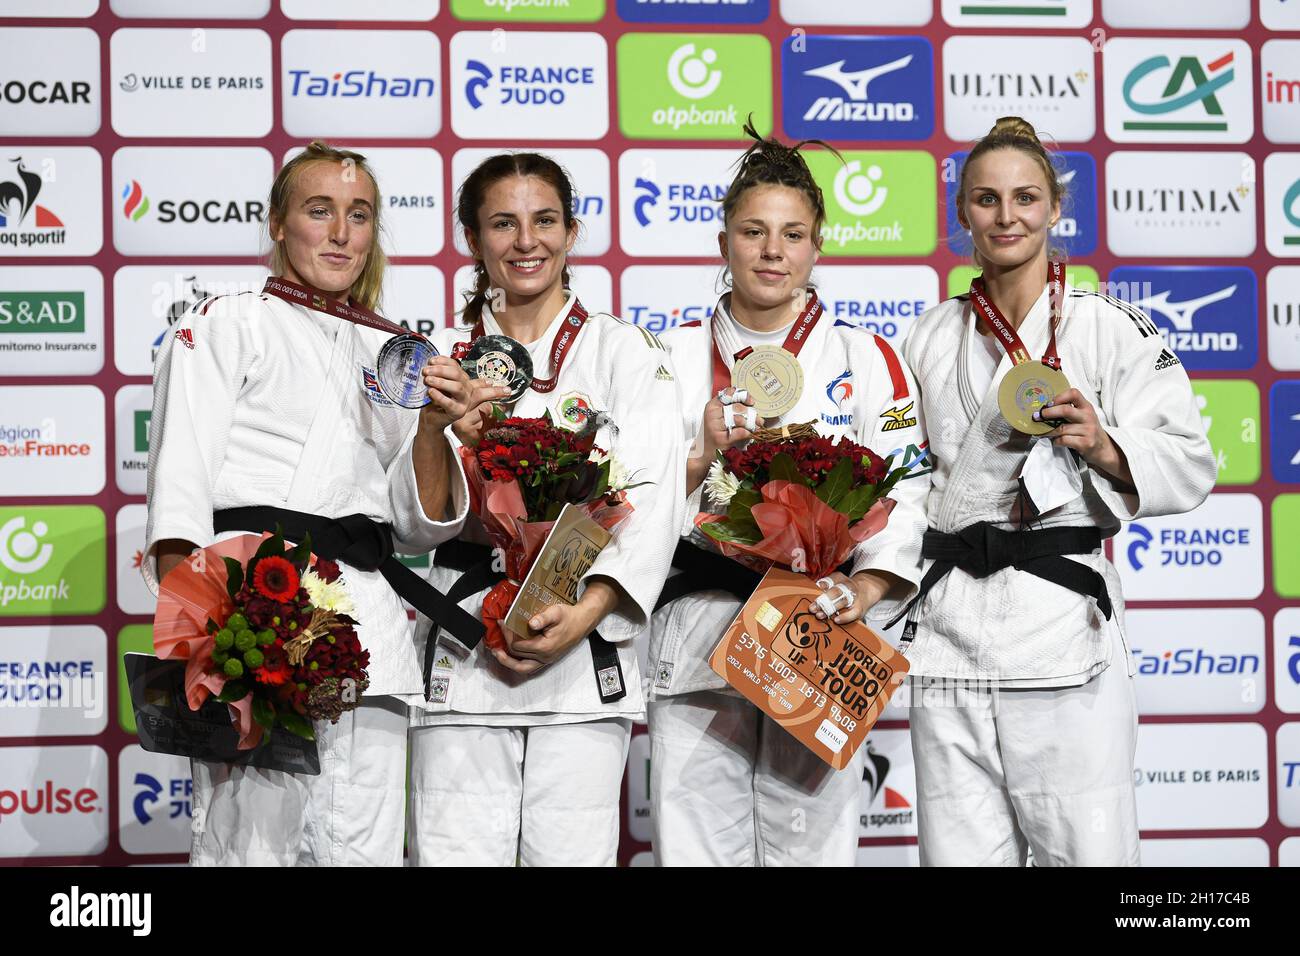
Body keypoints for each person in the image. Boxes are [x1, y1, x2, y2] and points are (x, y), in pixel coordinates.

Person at [144, 141, 494, 866]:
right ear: (278, 224)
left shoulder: (398, 353)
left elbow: (417, 522)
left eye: (358, 215)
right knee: (251, 850)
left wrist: (433, 427)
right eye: (319, 210)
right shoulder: (226, 322)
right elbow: (178, 496)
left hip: (368, 634)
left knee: (361, 851)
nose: (341, 233)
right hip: (255, 619)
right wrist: (211, 645)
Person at [899, 117, 1216, 866]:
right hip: (946, 637)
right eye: (986, 199)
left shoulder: (1110, 329)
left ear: (1054, 210)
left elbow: (1192, 459)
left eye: (1025, 198)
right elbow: (898, 467)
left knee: (1089, 857)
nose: (1006, 216)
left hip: (1060, 635)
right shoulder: (925, 337)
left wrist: (1105, 444)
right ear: (961, 213)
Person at [645, 125, 930, 866]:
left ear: (818, 246)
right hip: (698, 633)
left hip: (817, 635)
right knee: (694, 851)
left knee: (813, 852)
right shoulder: (666, 358)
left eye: (792, 234)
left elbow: (911, 490)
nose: (772, 251)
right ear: (723, 243)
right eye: (753, 231)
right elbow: (627, 497)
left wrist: (864, 589)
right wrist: (702, 453)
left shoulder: (868, 359)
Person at [407, 152, 686, 867]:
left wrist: (587, 612)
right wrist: (435, 430)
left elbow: (654, 497)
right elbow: (416, 522)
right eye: (503, 223)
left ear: (572, 232)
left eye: (544, 220)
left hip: (579, 656)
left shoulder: (626, 351)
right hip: (466, 642)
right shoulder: (438, 356)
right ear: (473, 238)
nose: (526, 241)